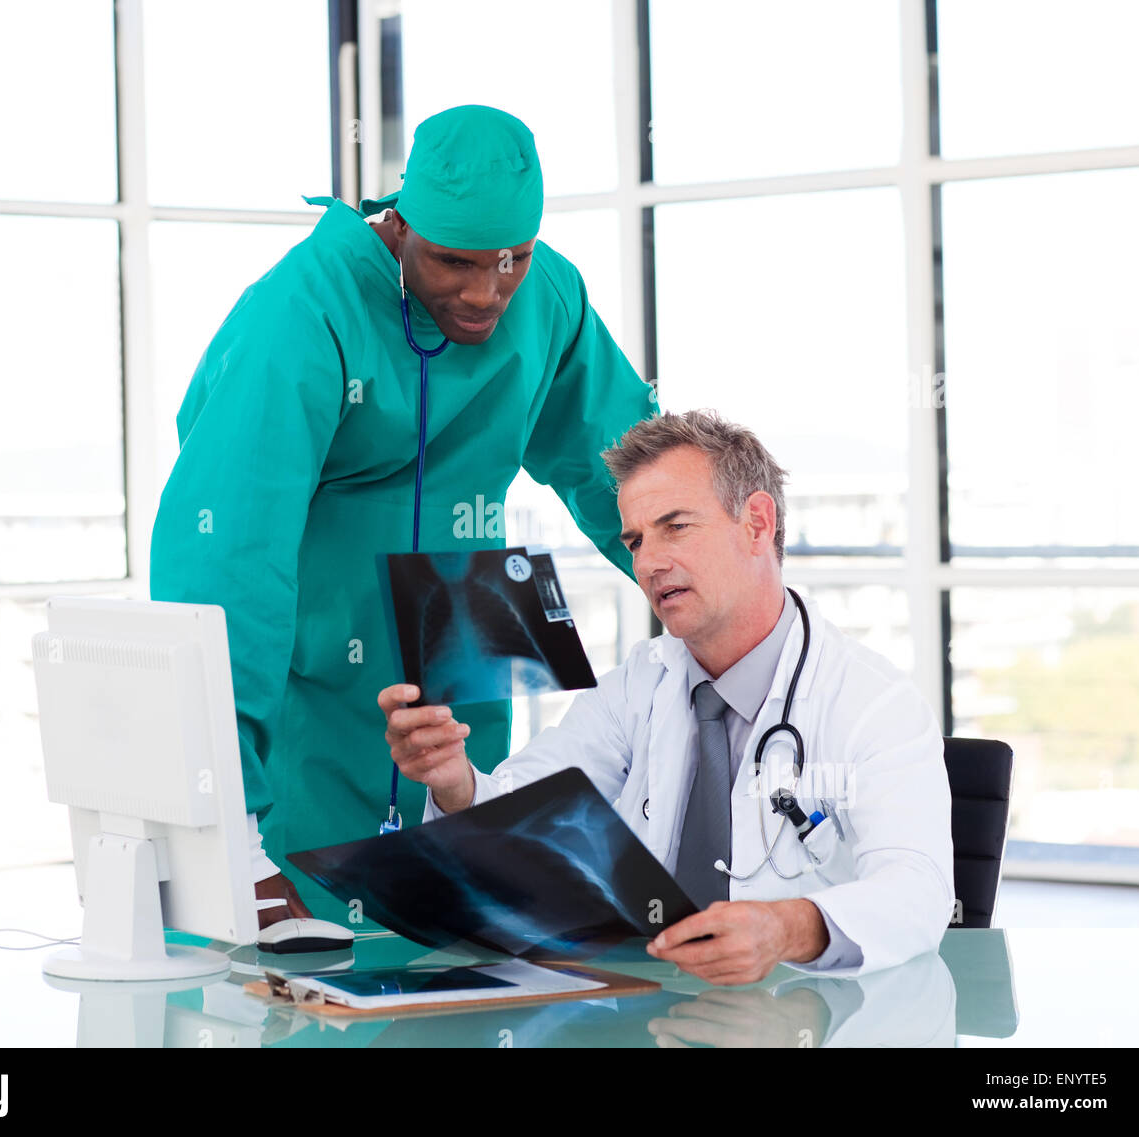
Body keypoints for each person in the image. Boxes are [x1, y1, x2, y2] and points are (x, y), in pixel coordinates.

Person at [150, 105, 657, 926]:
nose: (485, 293)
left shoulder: (551, 295)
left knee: (461, 952)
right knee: (307, 972)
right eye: (453, 261)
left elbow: (627, 467)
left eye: (510, 261)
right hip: (315, 674)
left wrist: (709, 592)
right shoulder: (301, 311)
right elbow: (227, 557)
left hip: (470, 653)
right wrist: (232, 844)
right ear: (400, 223)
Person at [379, 410, 954, 983]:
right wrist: (455, 784)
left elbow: (917, 892)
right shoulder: (640, 683)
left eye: (675, 527)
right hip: (648, 1010)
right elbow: (525, 815)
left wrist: (785, 928)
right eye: (636, 539)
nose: (649, 562)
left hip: (812, 1017)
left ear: (756, 524)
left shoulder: (875, 703)